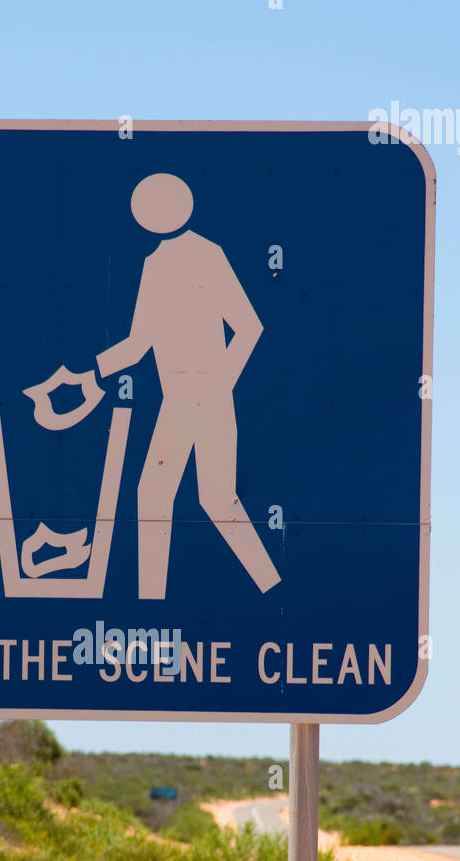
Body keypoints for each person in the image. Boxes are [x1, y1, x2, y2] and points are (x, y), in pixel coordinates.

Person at [95, 172, 281, 600]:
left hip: (203, 396)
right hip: (180, 397)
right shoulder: (155, 263)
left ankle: (157, 603)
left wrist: (219, 384)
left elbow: (249, 327)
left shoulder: (207, 254)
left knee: (191, 497)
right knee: (190, 497)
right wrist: (94, 371)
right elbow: (140, 344)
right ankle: (157, 604)